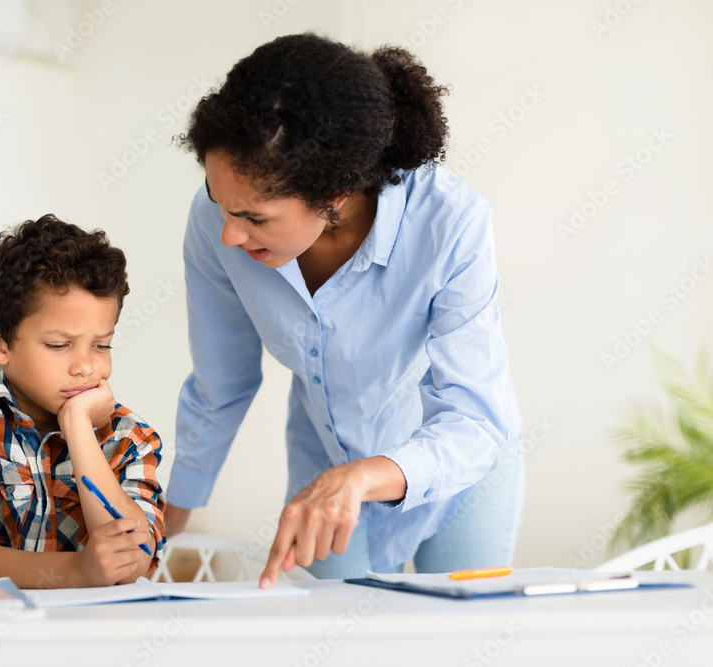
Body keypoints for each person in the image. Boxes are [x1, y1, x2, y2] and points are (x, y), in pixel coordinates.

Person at [164, 33, 525, 587]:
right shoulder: (218, 224)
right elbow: (220, 385)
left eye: (255, 219)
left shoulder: (450, 225)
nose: (230, 234)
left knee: (458, 642)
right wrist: (165, 528)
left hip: (458, 472)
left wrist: (362, 478)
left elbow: (474, 419)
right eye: (220, 202)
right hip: (325, 473)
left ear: (335, 192)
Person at [0, 215, 165, 588]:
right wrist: (78, 571)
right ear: (0, 345)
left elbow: (130, 559)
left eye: (102, 345)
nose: (86, 366)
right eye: (58, 345)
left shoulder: (130, 437)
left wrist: (77, 427)